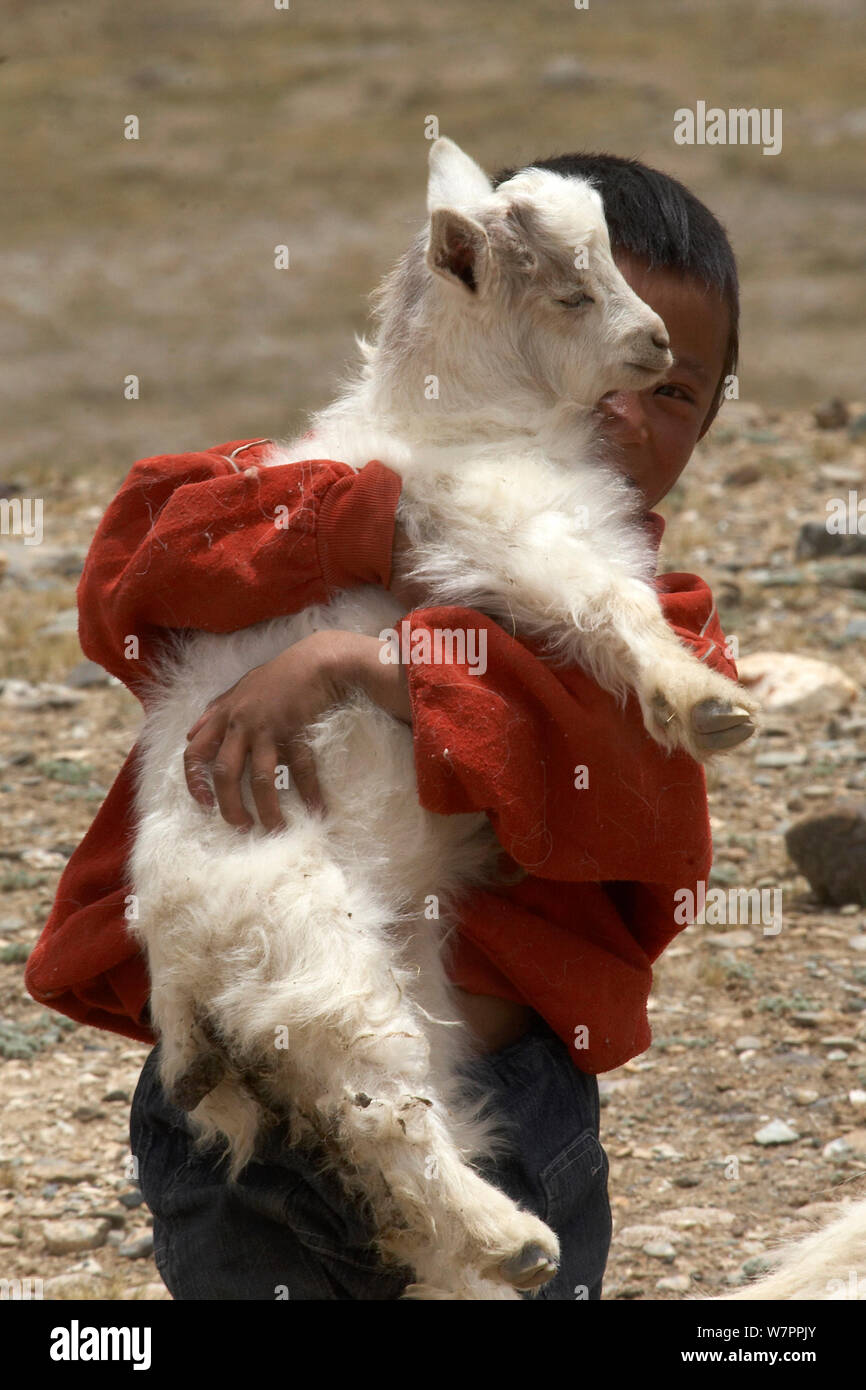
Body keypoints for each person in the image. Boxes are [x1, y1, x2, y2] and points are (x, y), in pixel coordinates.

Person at [26, 152, 742, 1300]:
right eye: (569, 310)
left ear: (710, 421)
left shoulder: (660, 631)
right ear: (469, 295)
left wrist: (362, 664)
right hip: (252, 1116)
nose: (622, 393)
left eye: (675, 391)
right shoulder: (329, 478)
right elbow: (134, 575)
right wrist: (382, 522)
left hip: (502, 1112)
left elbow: (627, 796)